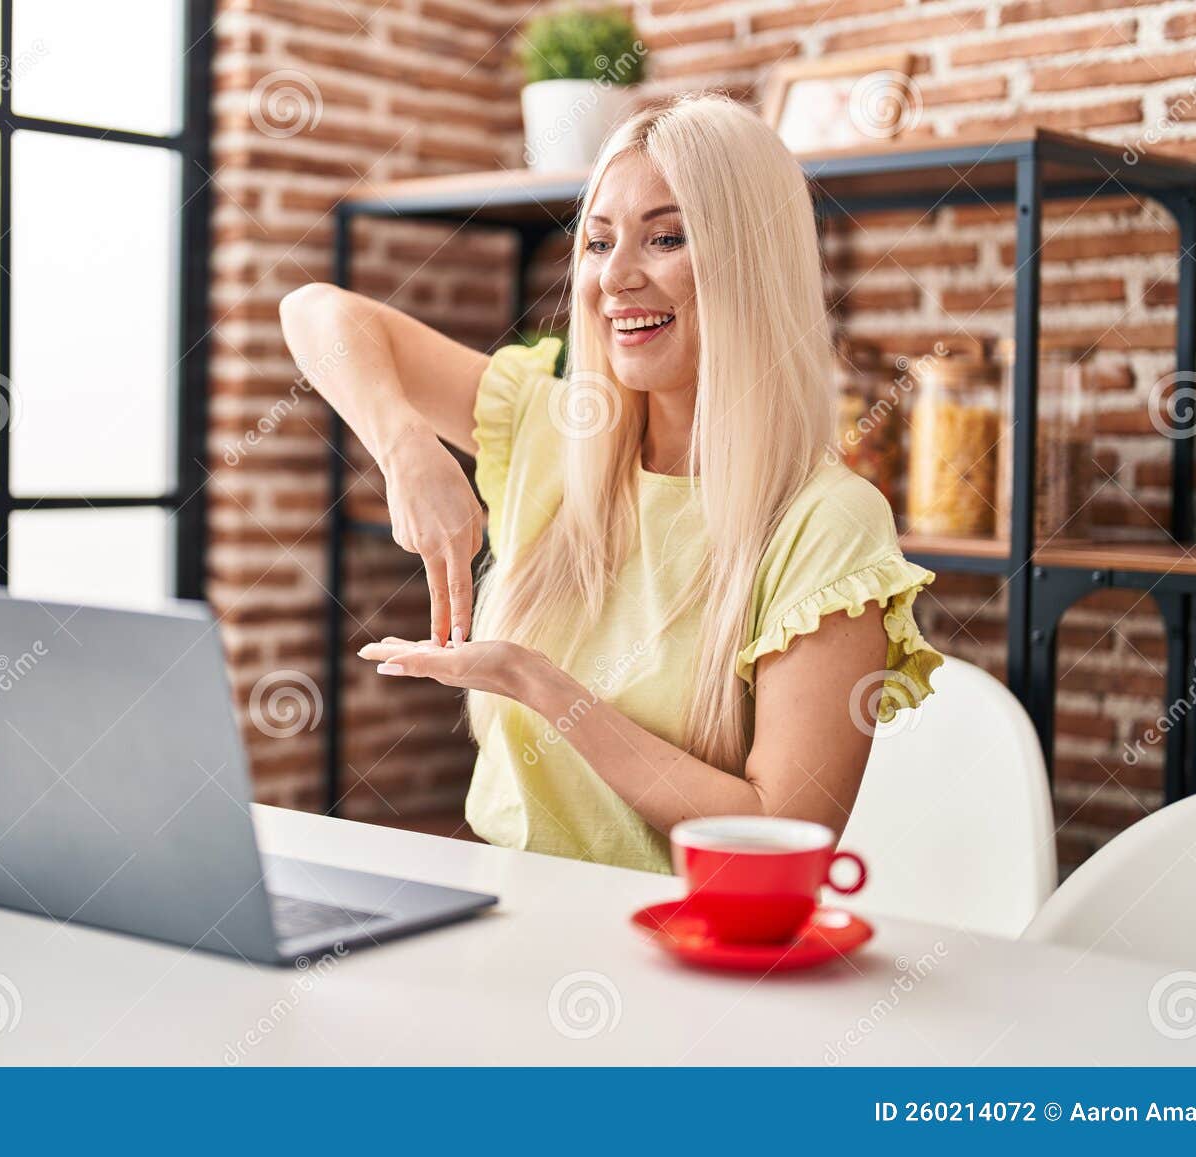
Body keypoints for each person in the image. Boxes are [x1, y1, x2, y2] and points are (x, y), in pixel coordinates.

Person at [279, 92, 943, 874]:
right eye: (597, 243)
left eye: (666, 237)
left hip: (684, 935)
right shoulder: (552, 430)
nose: (616, 277)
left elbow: (782, 829)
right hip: (505, 899)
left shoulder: (825, 522)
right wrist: (405, 447)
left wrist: (542, 686)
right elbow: (314, 311)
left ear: (752, 261)